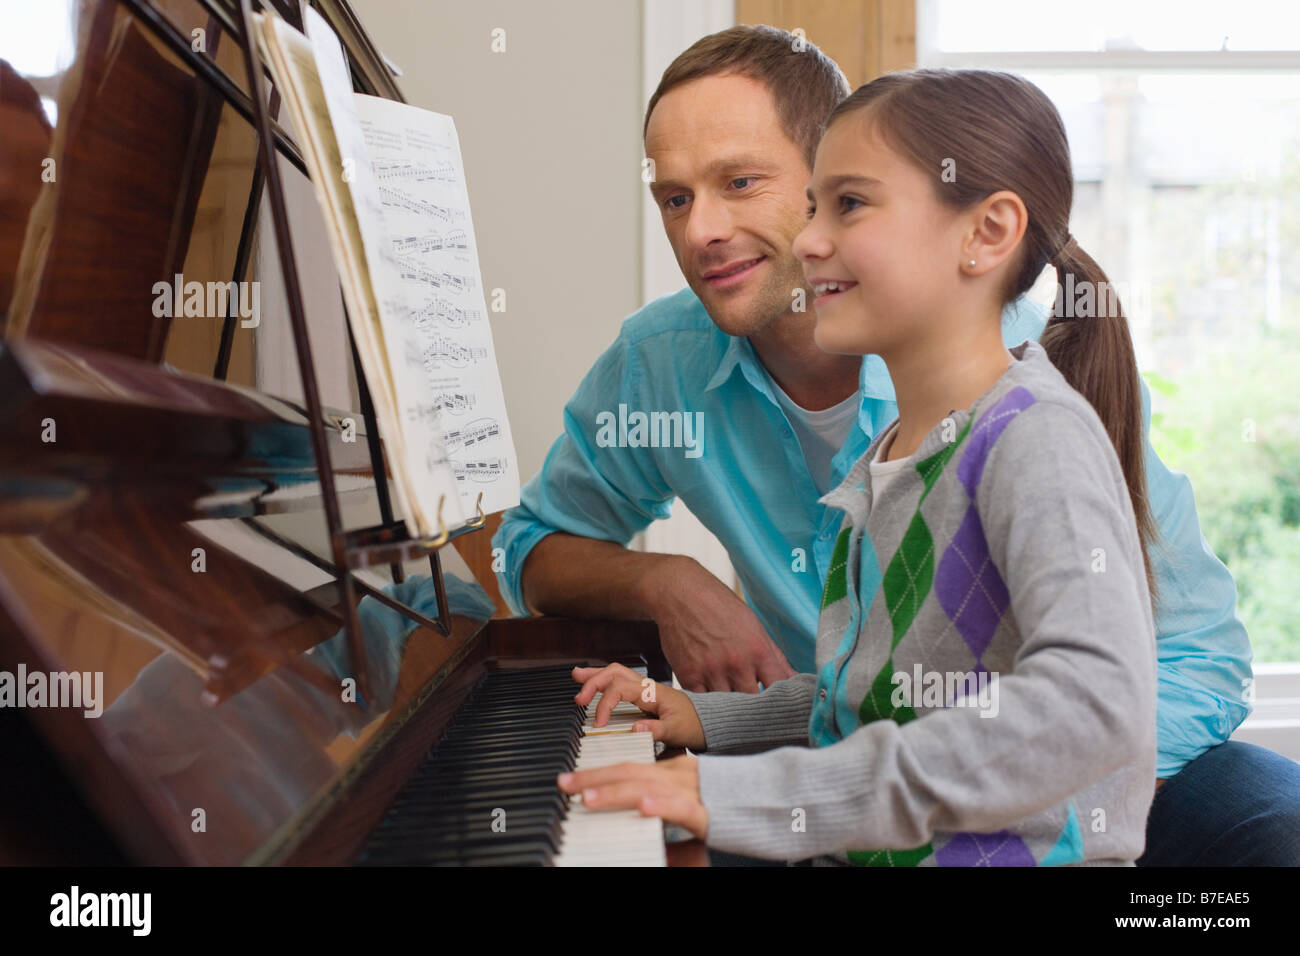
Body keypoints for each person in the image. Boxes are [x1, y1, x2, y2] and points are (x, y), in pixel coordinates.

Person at [496, 26, 1300, 864]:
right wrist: (701, 699)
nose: (700, 231)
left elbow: (1091, 706)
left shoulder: (1032, 419)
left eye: (745, 182)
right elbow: (874, 694)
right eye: (673, 198)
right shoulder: (880, 448)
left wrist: (1046, 798)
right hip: (875, 785)